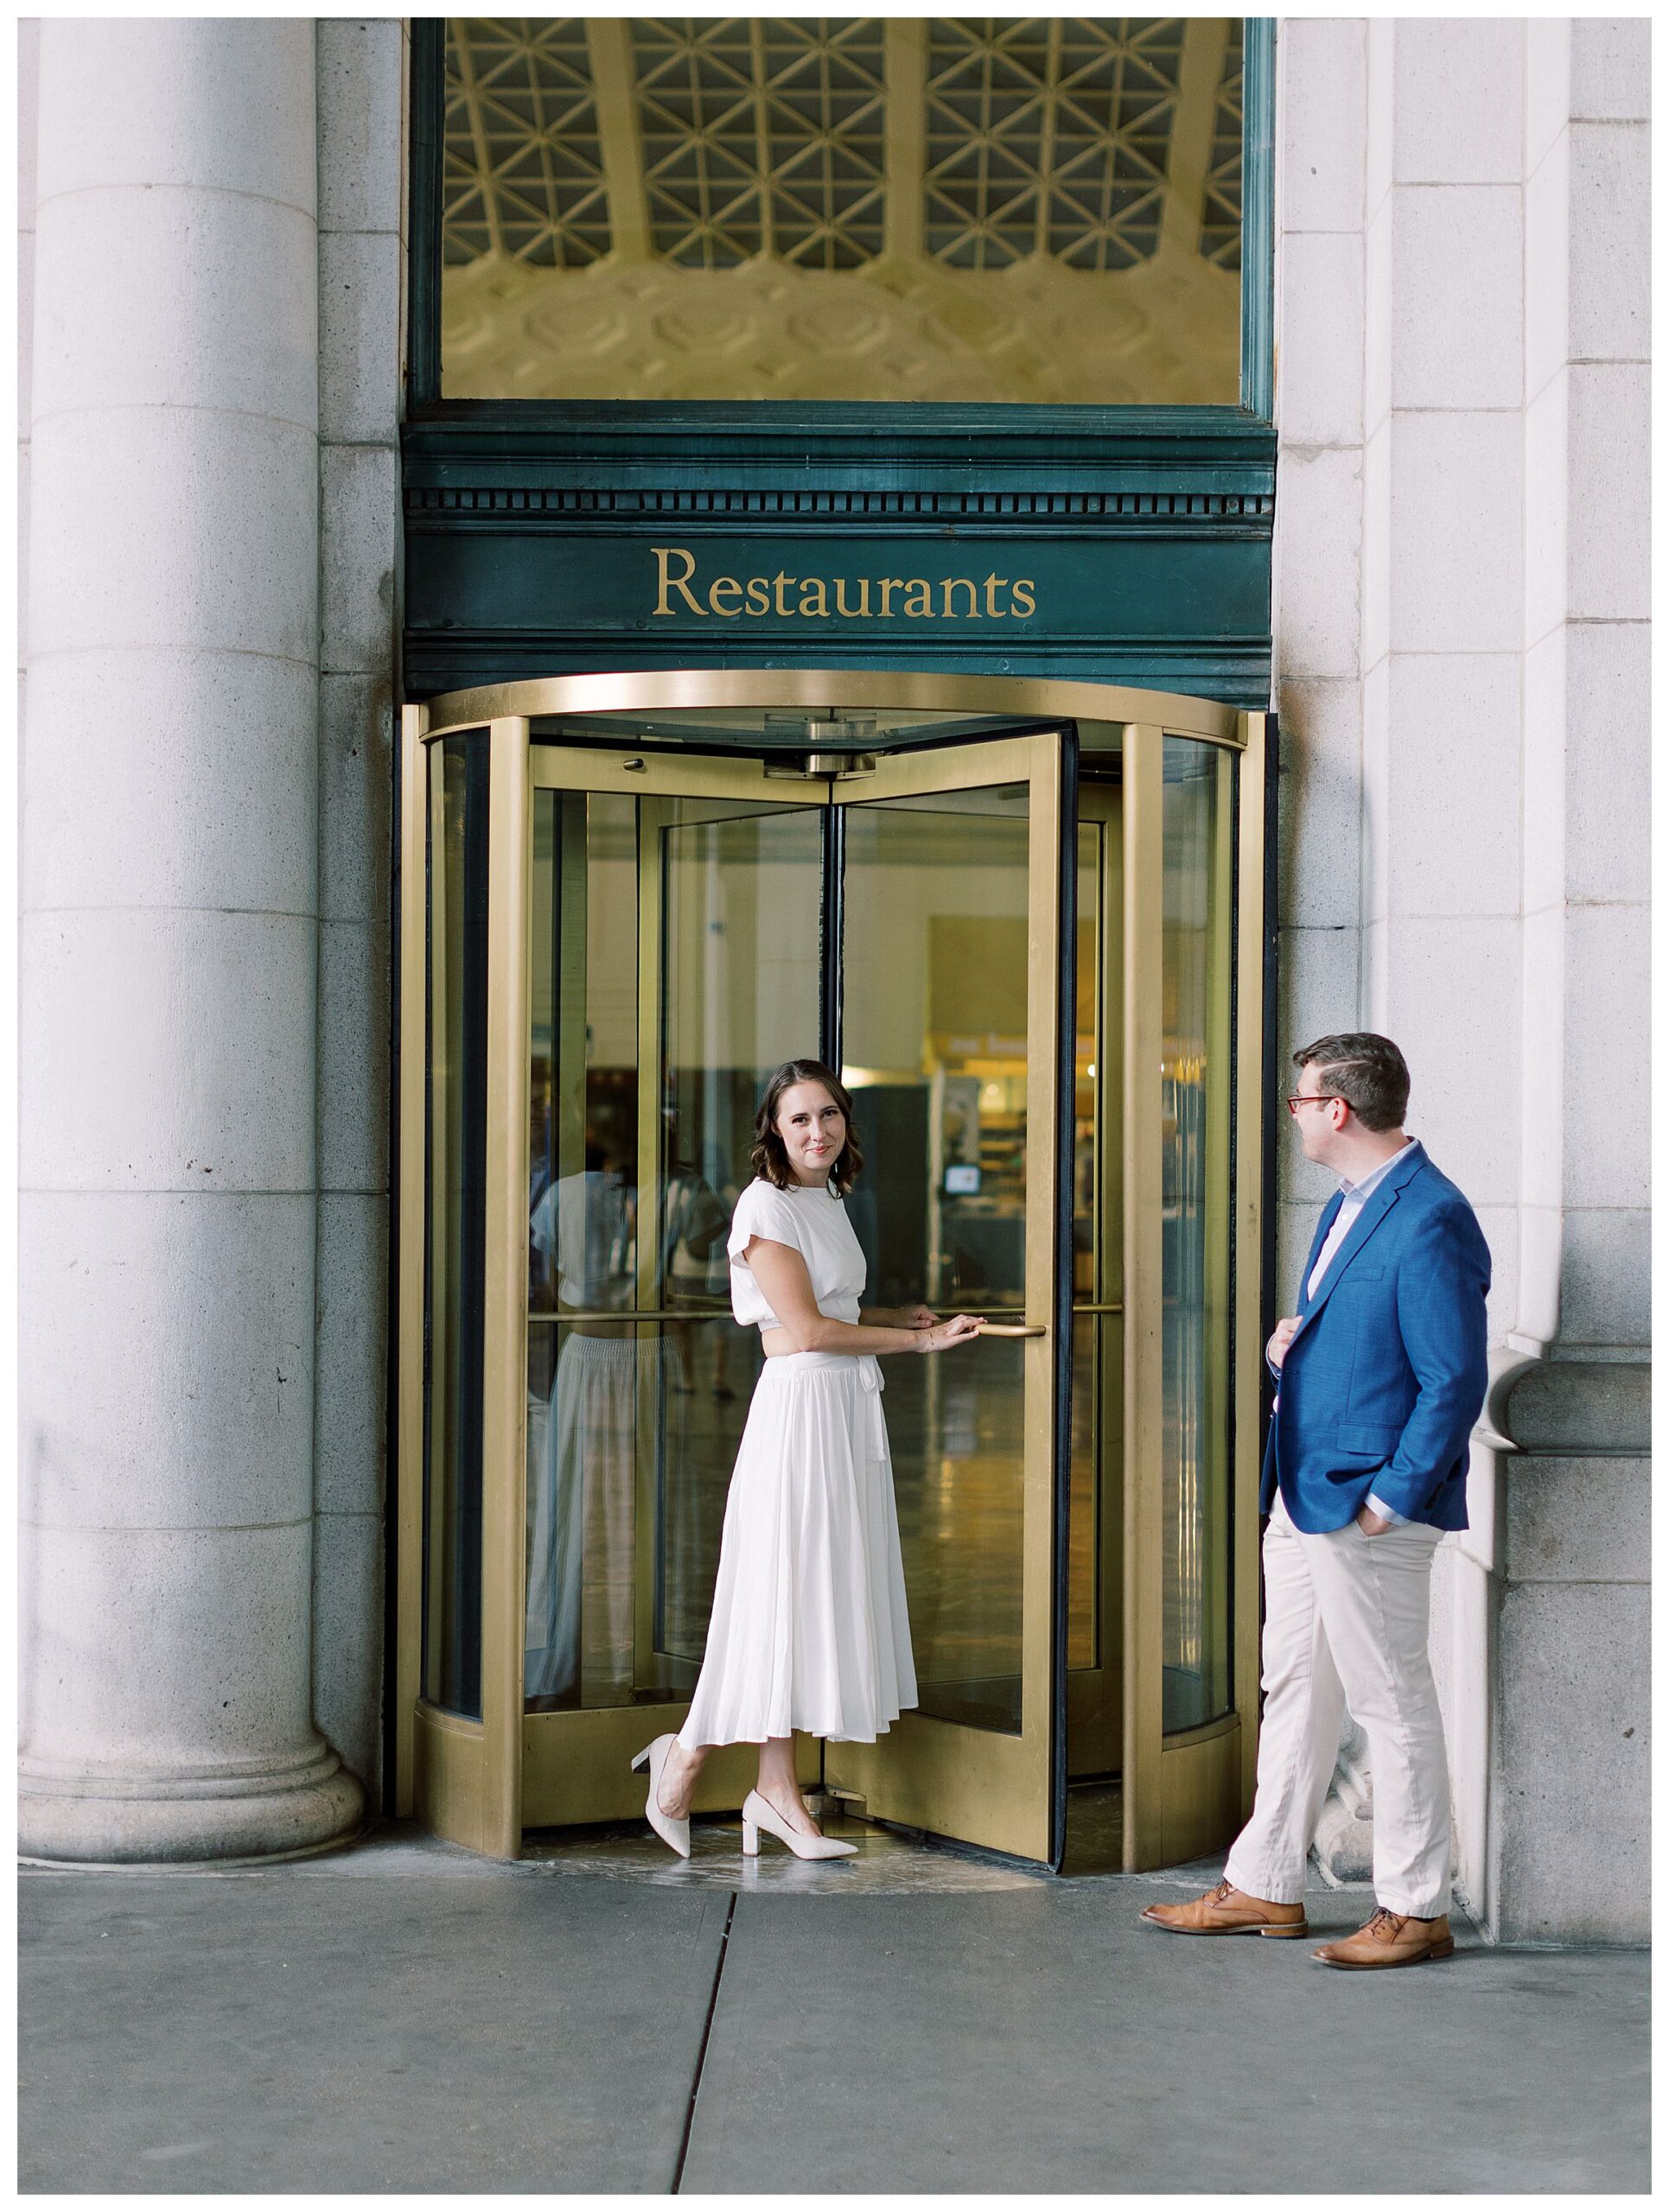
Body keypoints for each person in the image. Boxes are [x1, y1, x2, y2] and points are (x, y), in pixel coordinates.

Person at [1143, 1033, 1489, 1969]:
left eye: (1299, 1101)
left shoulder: (1430, 1215)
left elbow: (1453, 1381)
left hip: (1363, 1507)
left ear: (1336, 1109)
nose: (1292, 1114)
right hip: (1301, 1495)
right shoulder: (1346, 1204)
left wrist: (1386, 1499)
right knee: (1293, 1684)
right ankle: (1263, 1883)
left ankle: (1413, 1906)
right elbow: (1360, 1345)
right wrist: (1282, 1355)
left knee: (1389, 1699)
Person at [632, 1058, 980, 1862]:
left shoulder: (823, 1199)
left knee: (803, 1601)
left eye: (828, 1115)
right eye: (799, 1119)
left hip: (842, 1411)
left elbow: (833, 1312)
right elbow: (806, 1332)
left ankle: (776, 1793)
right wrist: (920, 1341)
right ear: (774, 1130)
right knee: (774, 1597)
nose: (817, 1131)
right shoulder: (763, 1207)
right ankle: (684, 1755)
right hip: (798, 1412)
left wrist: (902, 1315)